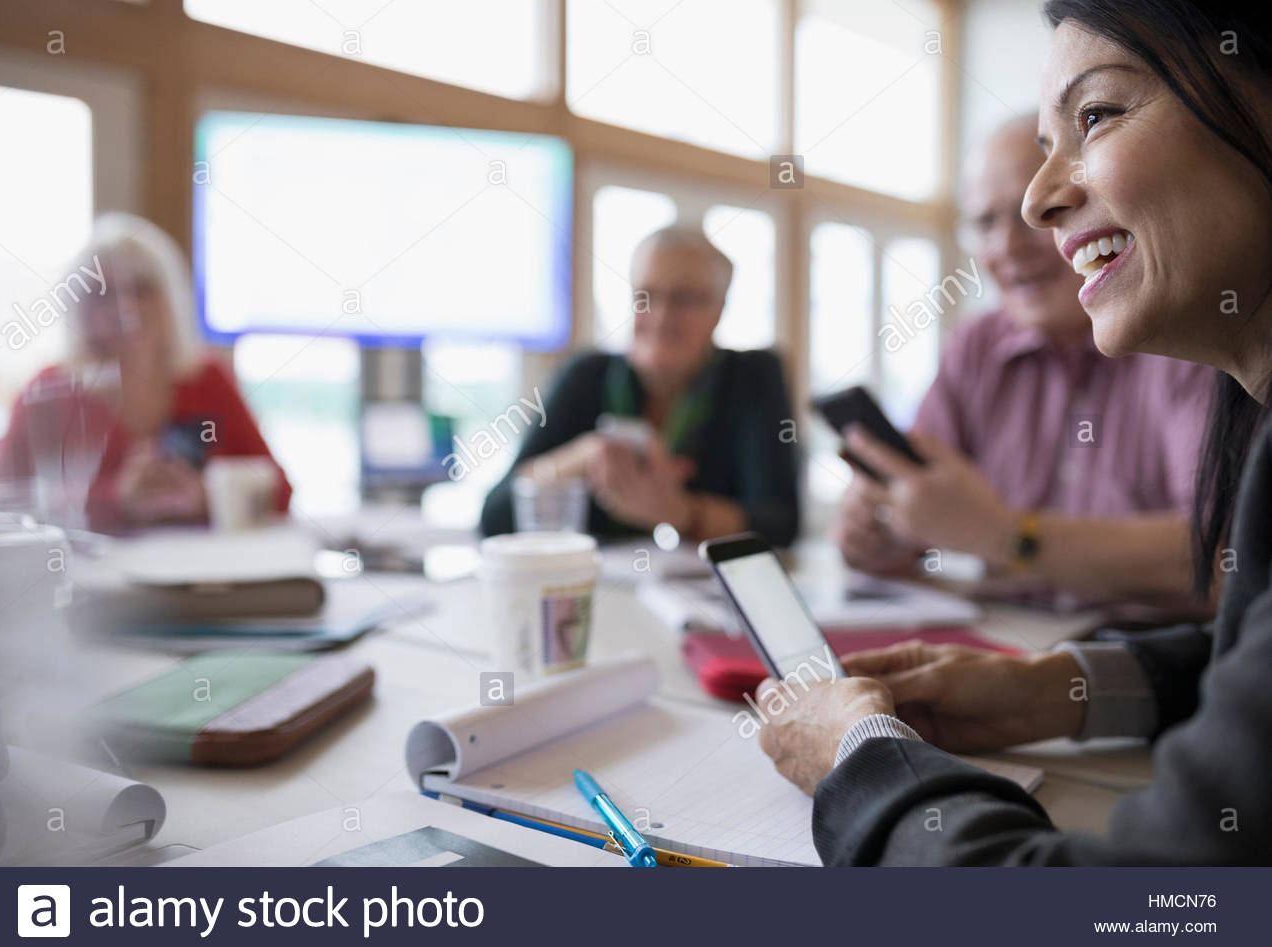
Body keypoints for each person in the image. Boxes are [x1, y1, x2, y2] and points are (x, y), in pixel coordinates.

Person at [760, 0, 1272, 865]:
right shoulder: (987, 347)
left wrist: (863, 761)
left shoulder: (1192, 346)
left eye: (1097, 115)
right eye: (984, 219)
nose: (1037, 208)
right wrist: (1062, 687)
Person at [836, 113, 1211, 609]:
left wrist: (1005, 534)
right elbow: (923, 512)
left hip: (1147, 663)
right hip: (1002, 645)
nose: (1007, 247)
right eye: (985, 222)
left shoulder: (1185, 337)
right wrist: (879, 527)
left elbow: (1224, 556)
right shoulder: (975, 346)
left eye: (1033, 215)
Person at [481, 226, 799, 546]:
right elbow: (495, 514)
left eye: (682, 299)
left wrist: (684, 513)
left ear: (719, 309)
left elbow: (781, 523)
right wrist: (584, 457)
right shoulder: (587, 375)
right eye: (645, 295)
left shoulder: (753, 376)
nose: (660, 316)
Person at [0, 213, 291, 532]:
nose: (125, 308)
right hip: (89, 577)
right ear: (78, 307)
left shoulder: (206, 379)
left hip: (203, 573)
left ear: (170, 299)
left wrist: (206, 496)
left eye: (142, 289)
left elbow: (280, 493)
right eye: (103, 294)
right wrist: (115, 499)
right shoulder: (49, 391)